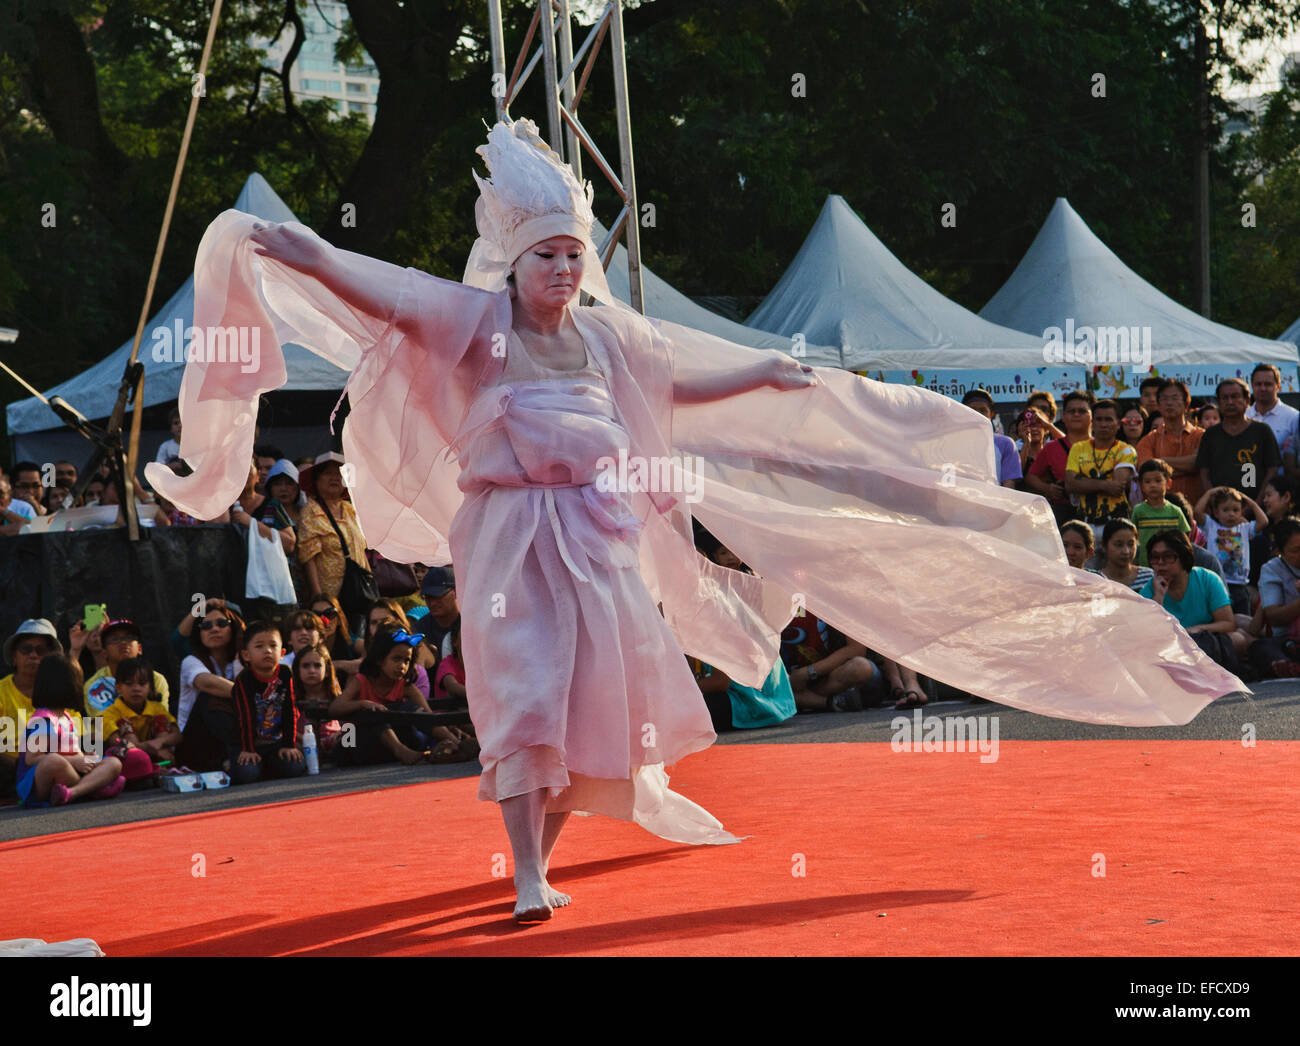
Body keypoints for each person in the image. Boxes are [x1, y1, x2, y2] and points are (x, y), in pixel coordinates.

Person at [147, 115, 1247, 924]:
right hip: (507, 541)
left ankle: (547, 847)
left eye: (576, 253)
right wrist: (290, 247)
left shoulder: (610, 337)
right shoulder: (471, 322)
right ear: (512, 261)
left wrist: (769, 371)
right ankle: (526, 869)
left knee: (593, 705)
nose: (565, 269)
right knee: (524, 694)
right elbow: (374, 284)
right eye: (547, 255)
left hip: (597, 537)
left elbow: (685, 380)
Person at [329, 624, 473, 766]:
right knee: (375, 713)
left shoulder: (405, 686)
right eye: (396, 659)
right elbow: (335, 708)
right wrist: (363, 703)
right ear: (380, 660)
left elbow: (428, 717)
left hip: (387, 744)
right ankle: (402, 752)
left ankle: (458, 745)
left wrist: (449, 731)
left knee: (409, 710)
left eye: (406, 661)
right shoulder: (362, 680)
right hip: (356, 743)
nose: (402, 666)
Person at [15, 656, 125, 808]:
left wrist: (87, 760)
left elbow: (75, 752)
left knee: (113, 762)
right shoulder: (43, 719)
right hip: (40, 782)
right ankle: (93, 788)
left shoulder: (67, 717)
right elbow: (32, 758)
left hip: (70, 775)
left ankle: (73, 793)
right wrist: (74, 762)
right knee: (53, 761)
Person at [1141, 530, 1251, 668]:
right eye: (1155, 558)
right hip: (1170, 647)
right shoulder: (1150, 589)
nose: (1160, 563)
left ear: (1183, 557)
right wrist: (1158, 598)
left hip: (1204, 641)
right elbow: (1149, 634)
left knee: (1237, 639)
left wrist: (1196, 630)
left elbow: (1227, 623)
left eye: (1168, 557)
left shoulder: (1207, 579)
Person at [227, 620, 308, 785]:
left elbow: (289, 710)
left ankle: (267, 765)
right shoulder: (244, 680)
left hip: (275, 743)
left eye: (273, 645)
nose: (268, 651)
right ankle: (235, 764)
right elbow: (245, 716)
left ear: (283, 652)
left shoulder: (285, 674)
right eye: (259, 646)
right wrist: (248, 749)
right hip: (247, 743)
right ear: (246, 655)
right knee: (247, 774)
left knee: (296, 766)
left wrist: (289, 745)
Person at [296, 452, 369, 620]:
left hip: (358, 592)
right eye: (328, 473)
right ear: (316, 479)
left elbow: (361, 550)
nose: (334, 478)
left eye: (339, 473)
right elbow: (309, 558)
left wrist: (369, 582)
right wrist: (318, 598)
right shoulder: (311, 511)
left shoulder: (350, 509)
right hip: (330, 596)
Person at [1065, 398, 1138, 542]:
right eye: (1099, 419)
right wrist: (1105, 484)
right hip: (1085, 523)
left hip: (1116, 523)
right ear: (1092, 422)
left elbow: (1117, 487)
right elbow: (1070, 485)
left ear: (1118, 423)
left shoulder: (1126, 450)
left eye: (1108, 419)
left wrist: (1084, 483)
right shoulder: (1078, 448)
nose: (1103, 424)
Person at [1196, 378, 1280, 502]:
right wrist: (1213, 502)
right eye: (1225, 398)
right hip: (1219, 510)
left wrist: (1256, 504)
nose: (1230, 402)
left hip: (1256, 509)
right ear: (1218, 402)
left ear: (1247, 400)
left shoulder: (1262, 431)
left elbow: (1272, 470)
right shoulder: (1211, 434)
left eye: (1235, 397)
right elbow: (1204, 472)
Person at [1191, 486, 1267, 616]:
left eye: (1236, 510)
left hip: (1240, 584)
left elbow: (1264, 521)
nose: (1231, 514)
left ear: (1241, 512)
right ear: (1216, 512)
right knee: (1222, 617)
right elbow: (1197, 511)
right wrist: (1209, 493)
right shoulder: (1211, 526)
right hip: (1218, 583)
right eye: (1225, 510)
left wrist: (1250, 502)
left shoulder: (1244, 528)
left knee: (1243, 618)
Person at [102, 656, 181, 773]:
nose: (136, 689)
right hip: (130, 758)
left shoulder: (157, 708)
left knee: (161, 720)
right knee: (125, 724)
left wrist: (159, 742)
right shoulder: (111, 712)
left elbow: (177, 735)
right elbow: (116, 741)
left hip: (159, 755)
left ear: (150, 687)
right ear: (118, 687)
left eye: (142, 683)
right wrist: (152, 749)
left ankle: (161, 767)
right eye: (129, 684)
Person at [1026, 389, 1093, 525]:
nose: (1076, 414)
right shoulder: (1052, 447)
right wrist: (1047, 488)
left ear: (1092, 416)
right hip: (1063, 515)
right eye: (1071, 411)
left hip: (1098, 511)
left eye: (1082, 411)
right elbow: (1030, 477)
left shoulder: (1102, 445)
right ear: (1063, 416)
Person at [1135, 379, 1204, 505]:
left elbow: (1197, 463)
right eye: (1164, 399)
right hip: (1159, 514)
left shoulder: (1201, 436)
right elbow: (1147, 472)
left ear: (1186, 403)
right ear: (1159, 404)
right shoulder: (1148, 440)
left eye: (1174, 398)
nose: (1169, 403)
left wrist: (1159, 461)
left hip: (1198, 510)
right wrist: (1189, 468)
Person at [83, 619, 170, 717]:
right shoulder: (93, 685)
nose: (123, 642)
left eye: (129, 638)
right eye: (114, 639)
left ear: (140, 648)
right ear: (104, 653)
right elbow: (98, 727)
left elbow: (162, 720)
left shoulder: (156, 679)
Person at [1249, 518, 1300, 676]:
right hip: (1286, 639)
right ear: (1279, 551)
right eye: (1295, 550)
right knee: (1260, 647)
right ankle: (1289, 667)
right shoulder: (1272, 569)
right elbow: (1274, 617)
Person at [1131, 459, 1190, 566]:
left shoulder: (1175, 511)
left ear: (1168, 483)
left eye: (1158, 481)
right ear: (1141, 486)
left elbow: (1184, 537)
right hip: (1145, 565)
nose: (1153, 485)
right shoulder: (1138, 511)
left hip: (1171, 565)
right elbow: (1132, 537)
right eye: (1147, 482)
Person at [292, 642, 343, 759]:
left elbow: (347, 723)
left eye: (317, 666)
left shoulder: (335, 696)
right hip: (304, 745)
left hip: (334, 743)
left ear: (327, 671)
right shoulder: (292, 698)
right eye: (305, 666)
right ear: (297, 670)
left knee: (351, 738)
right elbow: (287, 729)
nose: (311, 670)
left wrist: (340, 734)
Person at [1245, 363, 1298, 477]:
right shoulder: (1244, 416)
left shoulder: (1293, 417)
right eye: (1258, 384)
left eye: (1268, 384)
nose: (1263, 388)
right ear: (1252, 386)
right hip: (1247, 483)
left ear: (1278, 386)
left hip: (1280, 487)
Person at [962, 389, 1021, 488]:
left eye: (983, 410)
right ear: (963, 411)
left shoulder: (1006, 444)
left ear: (991, 414)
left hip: (993, 502)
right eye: (972, 409)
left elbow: (1009, 486)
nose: (978, 414)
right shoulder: (952, 442)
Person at [1088, 518, 1154, 591]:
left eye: (1131, 544)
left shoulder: (1149, 578)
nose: (1126, 551)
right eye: (1119, 545)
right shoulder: (1094, 580)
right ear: (1104, 546)